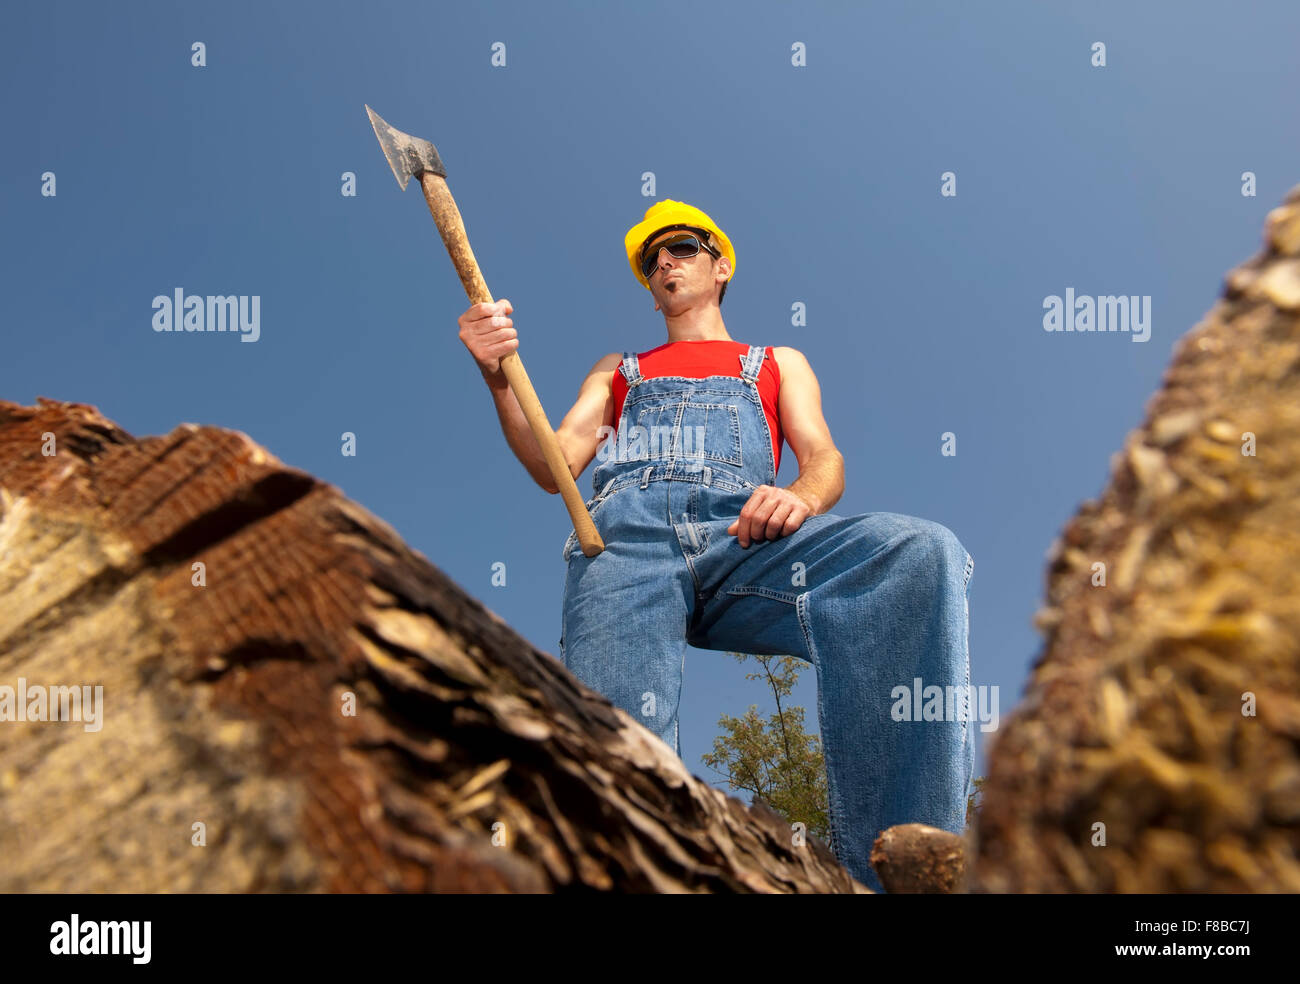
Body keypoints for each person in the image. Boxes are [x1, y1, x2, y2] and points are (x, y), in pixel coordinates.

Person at [457, 200, 975, 892]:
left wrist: (803, 496)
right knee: (618, 763)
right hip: (624, 546)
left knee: (920, 555)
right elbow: (553, 465)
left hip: (746, 534)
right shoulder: (621, 369)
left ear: (720, 264)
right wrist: (498, 376)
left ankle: (905, 871)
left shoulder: (777, 361)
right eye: (651, 261)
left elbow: (824, 457)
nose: (663, 264)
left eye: (679, 248)